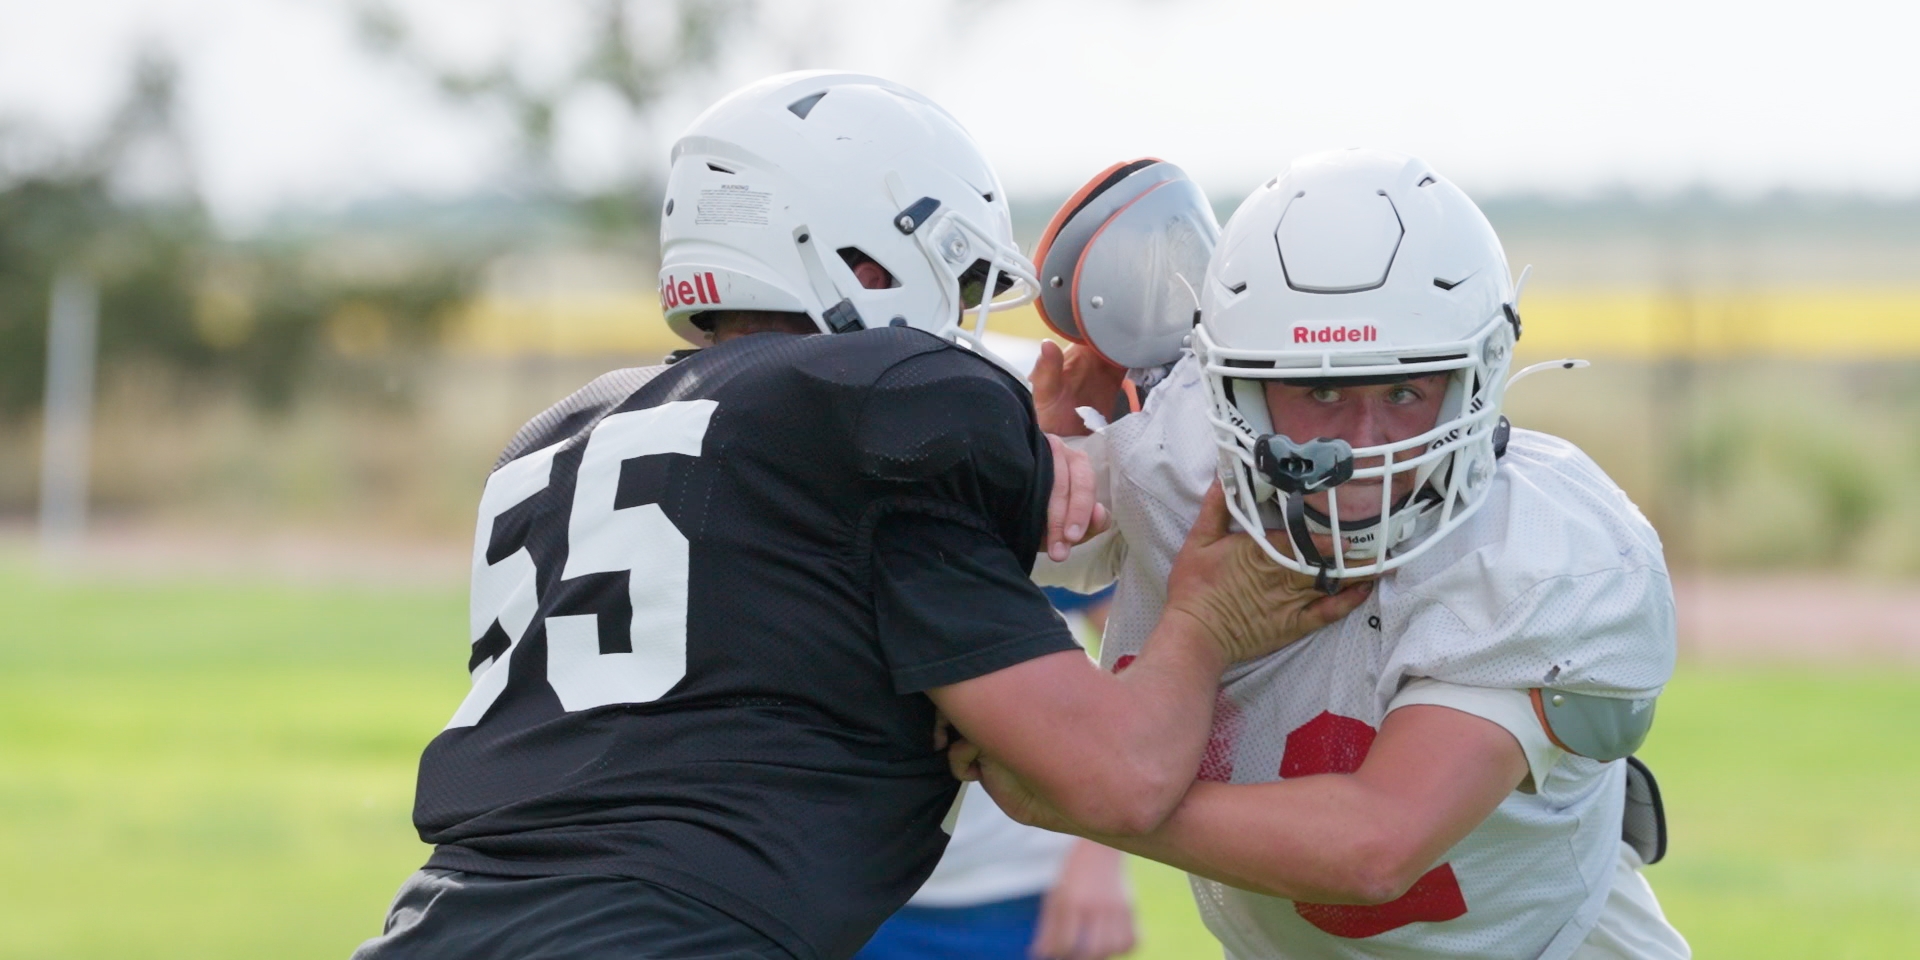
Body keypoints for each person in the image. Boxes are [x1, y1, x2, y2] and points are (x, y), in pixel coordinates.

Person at [351, 73, 1366, 960]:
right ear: (867, 265)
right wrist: (1206, 622)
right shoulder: (883, 406)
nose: (958, 322)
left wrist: (1021, 482)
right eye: (958, 281)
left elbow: (799, 601)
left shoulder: (560, 437)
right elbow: (1122, 774)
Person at [963, 148, 1690, 959]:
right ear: (1231, 387)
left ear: (1478, 379)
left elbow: (1374, 847)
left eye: (1405, 391)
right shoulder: (1170, 459)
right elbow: (973, 567)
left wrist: (1082, 789)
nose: (1362, 446)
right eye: (1320, 390)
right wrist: (1037, 472)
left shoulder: (1546, 553)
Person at [855, 588, 1136, 960]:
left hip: (1018, 892)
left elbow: (1137, 668)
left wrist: (1099, 851)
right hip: (850, 884)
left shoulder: (1026, 551)